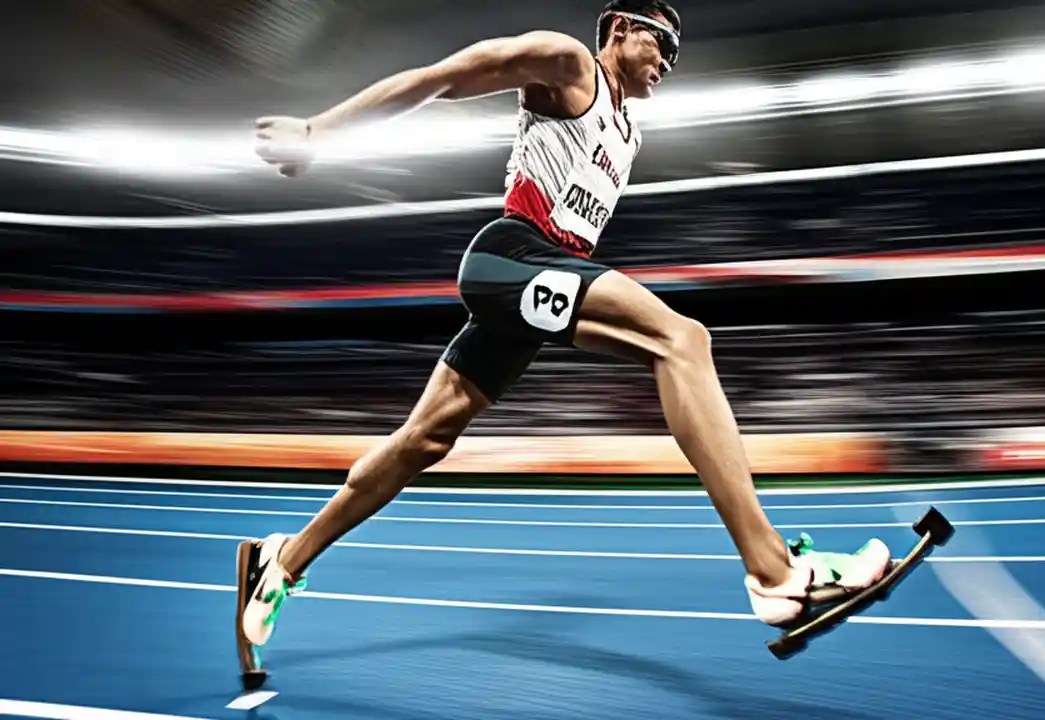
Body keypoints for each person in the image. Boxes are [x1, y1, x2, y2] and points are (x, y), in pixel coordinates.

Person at [240, 0, 891, 673]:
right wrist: (319, 129)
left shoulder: (628, 134)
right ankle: (773, 571)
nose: (668, 62)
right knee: (682, 340)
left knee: (422, 441)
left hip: (539, 283)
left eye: (675, 54)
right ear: (620, 29)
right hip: (510, 259)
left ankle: (281, 562)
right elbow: (442, 76)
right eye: (662, 43)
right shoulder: (570, 65)